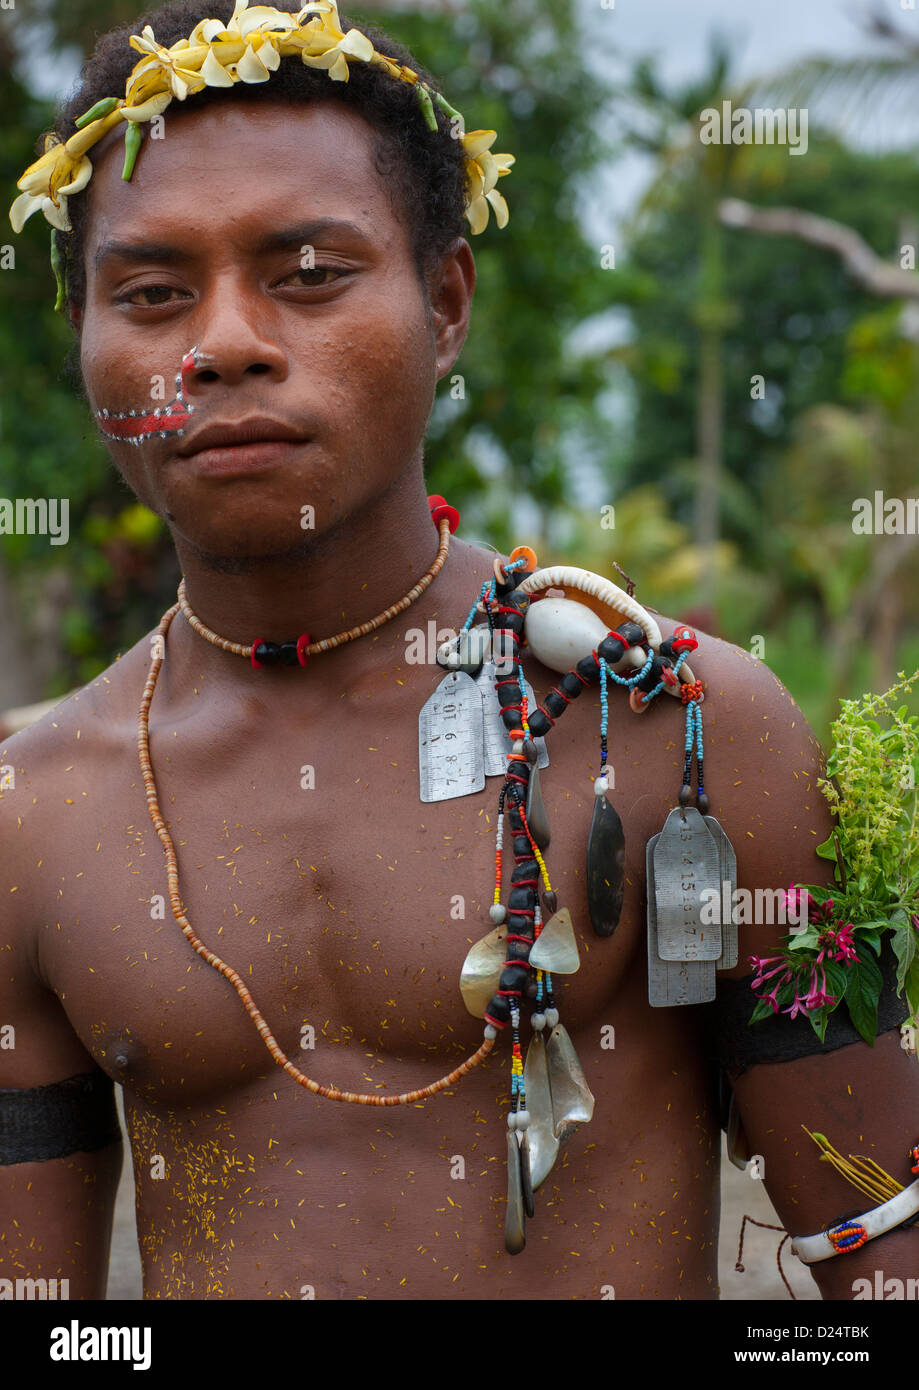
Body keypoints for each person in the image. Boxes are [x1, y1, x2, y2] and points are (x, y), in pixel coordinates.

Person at [1, 0, 916, 1302]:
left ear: (444, 302)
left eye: (309, 275)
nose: (222, 345)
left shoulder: (686, 730)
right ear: (88, 340)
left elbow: (882, 1246)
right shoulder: (39, 813)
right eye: (150, 295)